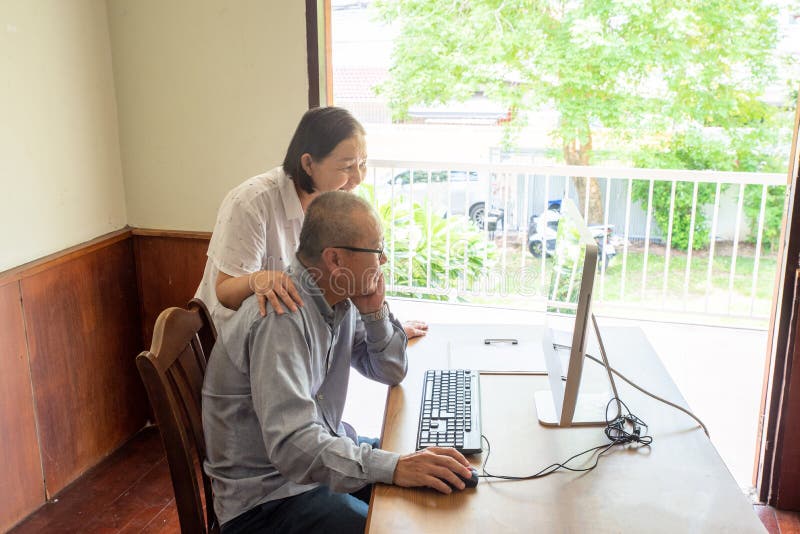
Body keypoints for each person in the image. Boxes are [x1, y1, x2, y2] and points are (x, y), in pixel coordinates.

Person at [202, 192, 472, 533]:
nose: (384, 259)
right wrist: (395, 468)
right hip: (268, 502)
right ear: (336, 260)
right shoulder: (281, 318)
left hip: (311, 469)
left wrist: (374, 311)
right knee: (397, 520)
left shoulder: (337, 298)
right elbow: (293, 447)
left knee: (439, 477)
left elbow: (390, 370)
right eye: (377, 249)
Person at [194, 106, 428, 338]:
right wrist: (259, 279)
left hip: (294, 334)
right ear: (308, 164)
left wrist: (384, 330)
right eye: (347, 167)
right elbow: (224, 292)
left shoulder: (336, 205)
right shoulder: (252, 202)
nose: (357, 178)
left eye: (363, 164)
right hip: (234, 341)